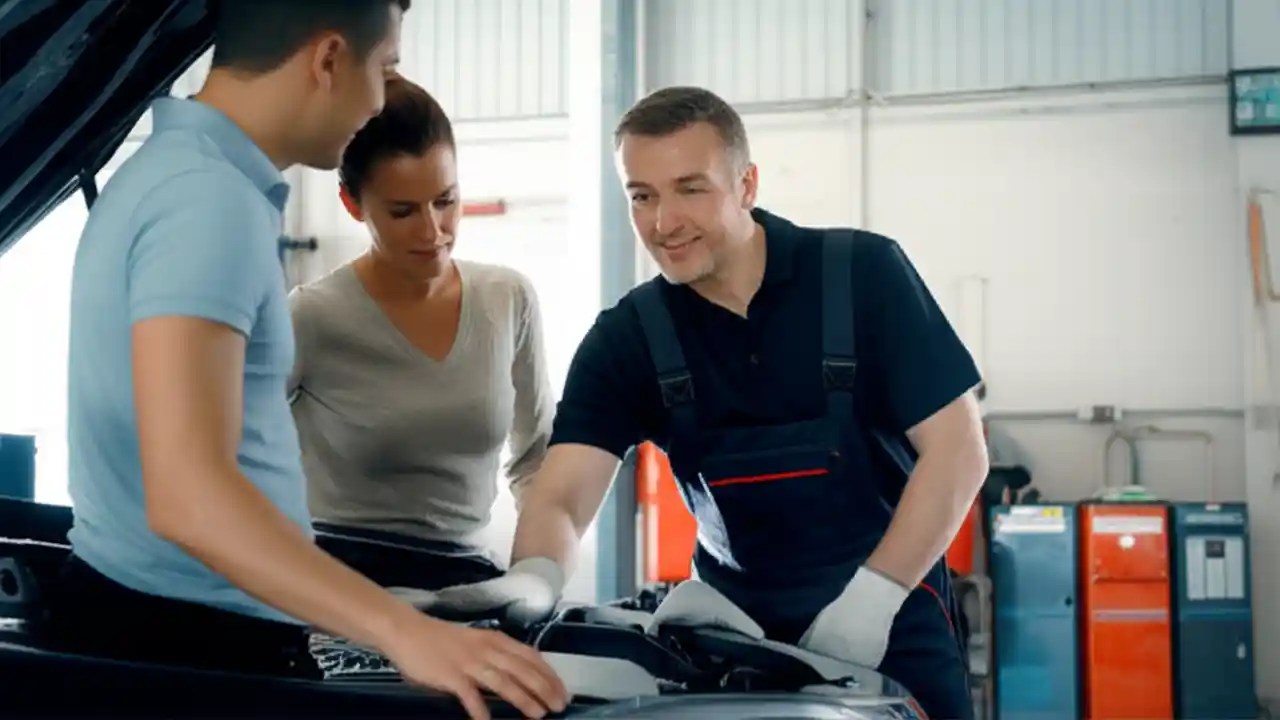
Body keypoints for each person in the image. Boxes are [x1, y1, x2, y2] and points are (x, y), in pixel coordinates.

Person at [57, 2, 567, 718]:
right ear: (329, 60)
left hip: (160, 627)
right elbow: (188, 492)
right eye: (384, 67)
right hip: (190, 649)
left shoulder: (169, 176)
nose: (382, 96)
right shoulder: (208, 204)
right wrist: (402, 631)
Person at [435, 86, 989, 719]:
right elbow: (562, 495)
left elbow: (957, 452)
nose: (663, 223)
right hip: (737, 648)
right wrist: (535, 575)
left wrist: (873, 597)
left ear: (746, 185)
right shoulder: (630, 337)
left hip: (894, 624)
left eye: (690, 188)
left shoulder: (862, 275)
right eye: (641, 196)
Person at [287, 76, 556, 589]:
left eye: (445, 200)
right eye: (403, 211)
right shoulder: (310, 316)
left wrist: (534, 574)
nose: (433, 231)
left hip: (466, 578)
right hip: (337, 582)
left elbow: (536, 458)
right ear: (352, 204)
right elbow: (226, 455)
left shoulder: (509, 299)